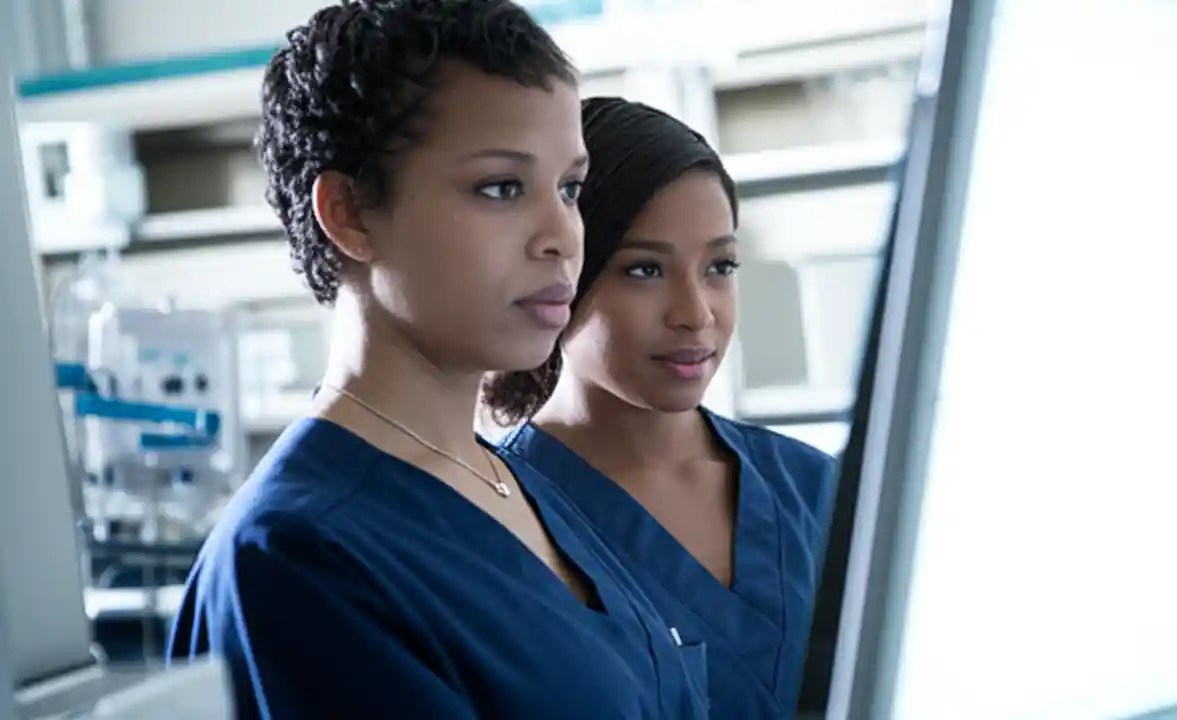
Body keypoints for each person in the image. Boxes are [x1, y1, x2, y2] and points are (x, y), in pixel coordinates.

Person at [166, 4, 709, 718]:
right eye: (501, 188)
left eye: (569, 188)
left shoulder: (518, 484)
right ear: (352, 214)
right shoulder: (298, 557)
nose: (562, 236)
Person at [486, 97, 839, 719]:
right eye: (645, 269)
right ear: (562, 273)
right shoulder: (503, 522)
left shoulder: (814, 490)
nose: (696, 313)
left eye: (719, 267)